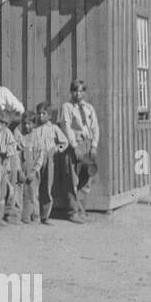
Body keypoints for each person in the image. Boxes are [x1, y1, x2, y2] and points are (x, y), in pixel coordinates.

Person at [59, 80, 99, 223]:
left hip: (88, 144)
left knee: (87, 177)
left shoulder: (89, 108)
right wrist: (74, 146)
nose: (78, 93)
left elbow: (95, 127)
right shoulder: (67, 107)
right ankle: (73, 211)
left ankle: (82, 208)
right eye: (75, 90)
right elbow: (67, 127)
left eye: (81, 91)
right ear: (71, 92)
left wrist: (94, 145)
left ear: (84, 92)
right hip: (76, 145)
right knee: (72, 178)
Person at [30, 103, 69, 223]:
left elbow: (64, 142)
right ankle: (35, 215)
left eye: (44, 114)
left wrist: (56, 149)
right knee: (34, 187)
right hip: (36, 159)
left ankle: (45, 215)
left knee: (47, 187)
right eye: (39, 113)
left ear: (49, 116)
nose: (41, 116)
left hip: (49, 159)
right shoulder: (34, 129)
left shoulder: (54, 128)